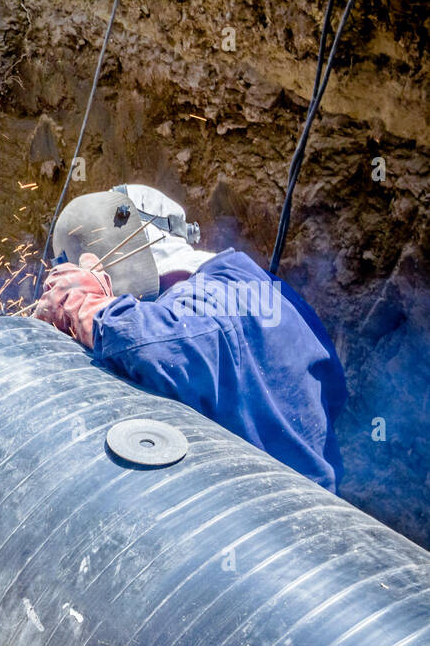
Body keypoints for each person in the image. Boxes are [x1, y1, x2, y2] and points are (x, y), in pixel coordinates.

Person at [32, 184, 346, 492]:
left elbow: (161, 347)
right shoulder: (266, 290)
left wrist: (90, 307)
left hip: (275, 519)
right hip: (309, 505)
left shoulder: (209, 300)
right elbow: (334, 393)